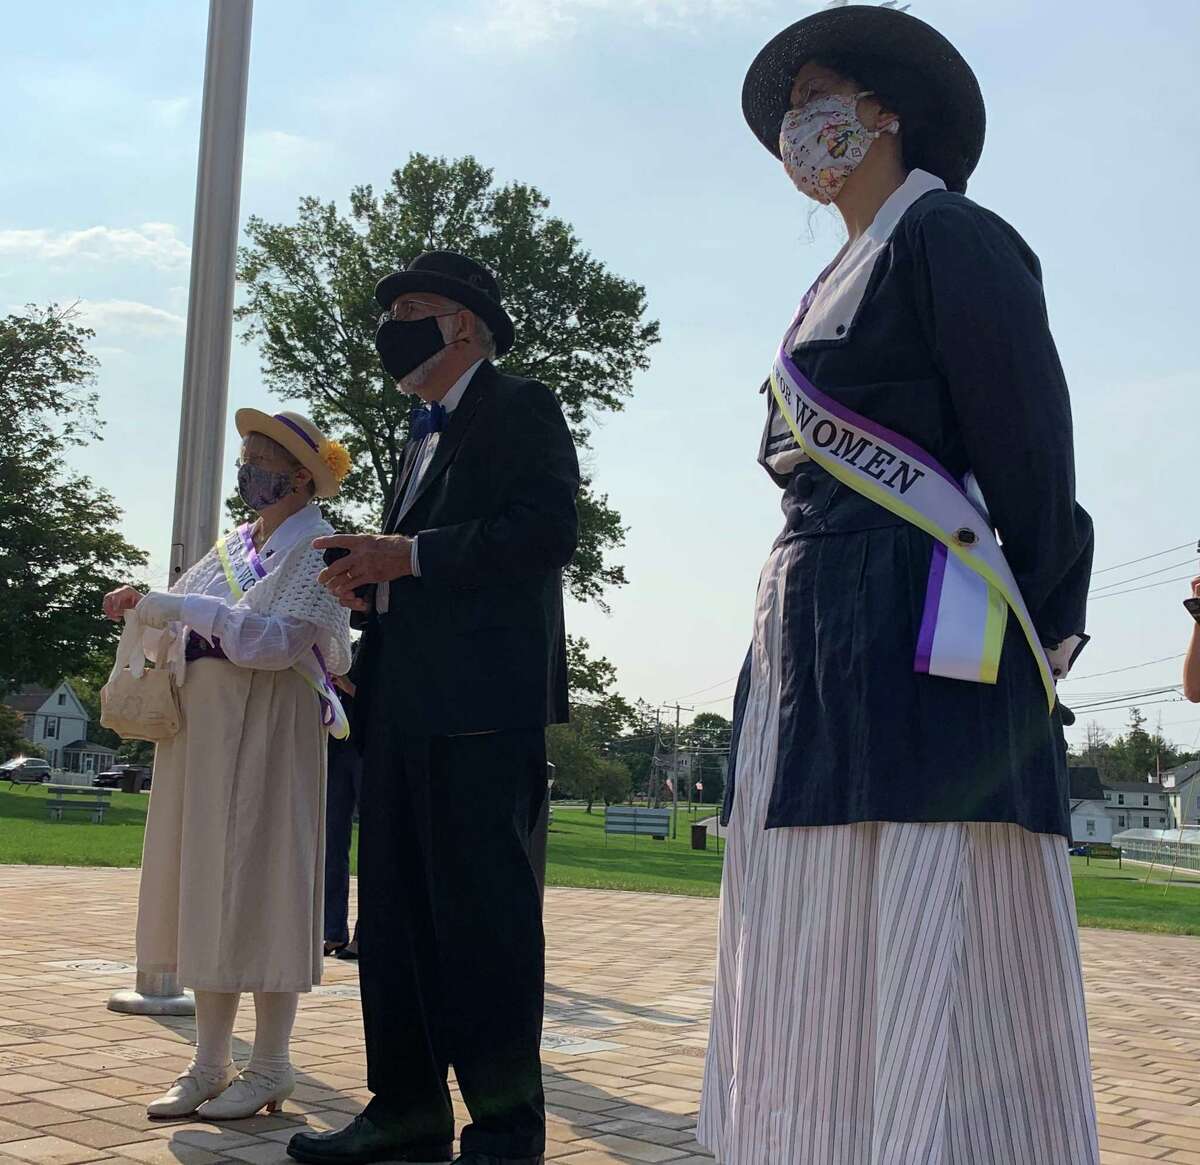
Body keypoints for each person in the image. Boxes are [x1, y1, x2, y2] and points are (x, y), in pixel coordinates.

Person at [697, 7, 1099, 1163]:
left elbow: (1031, 456)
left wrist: (1044, 632)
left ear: (884, 109)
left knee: (935, 927)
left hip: (930, 646)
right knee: (818, 944)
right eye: (788, 109)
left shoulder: (951, 238)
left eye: (815, 95)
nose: (795, 123)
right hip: (813, 643)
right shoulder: (834, 273)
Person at [287, 252, 579, 1165]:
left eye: (411, 307)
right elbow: (425, 568)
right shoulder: (418, 437)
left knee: (486, 930)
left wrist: (405, 556)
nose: (394, 325)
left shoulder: (522, 405)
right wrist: (369, 599)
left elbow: (543, 531)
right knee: (399, 926)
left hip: (484, 716)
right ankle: (405, 1112)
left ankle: (504, 1129)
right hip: (403, 710)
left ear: (463, 324)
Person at [103, 410, 353, 1121]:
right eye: (244, 458)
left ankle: (271, 1062)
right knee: (205, 885)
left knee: (269, 884)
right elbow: (182, 619)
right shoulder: (231, 547)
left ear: (302, 477)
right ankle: (209, 1061)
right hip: (205, 735)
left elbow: (278, 642)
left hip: (274, 730)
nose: (247, 472)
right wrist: (147, 609)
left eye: (260, 459)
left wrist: (182, 606)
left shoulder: (317, 549)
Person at [324, 664, 361, 959]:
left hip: (370, 749)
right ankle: (332, 930)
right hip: (337, 748)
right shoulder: (345, 650)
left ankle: (368, 934)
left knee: (376, 846)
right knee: (331, 841)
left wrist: (347, 686)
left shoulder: (382, 644)